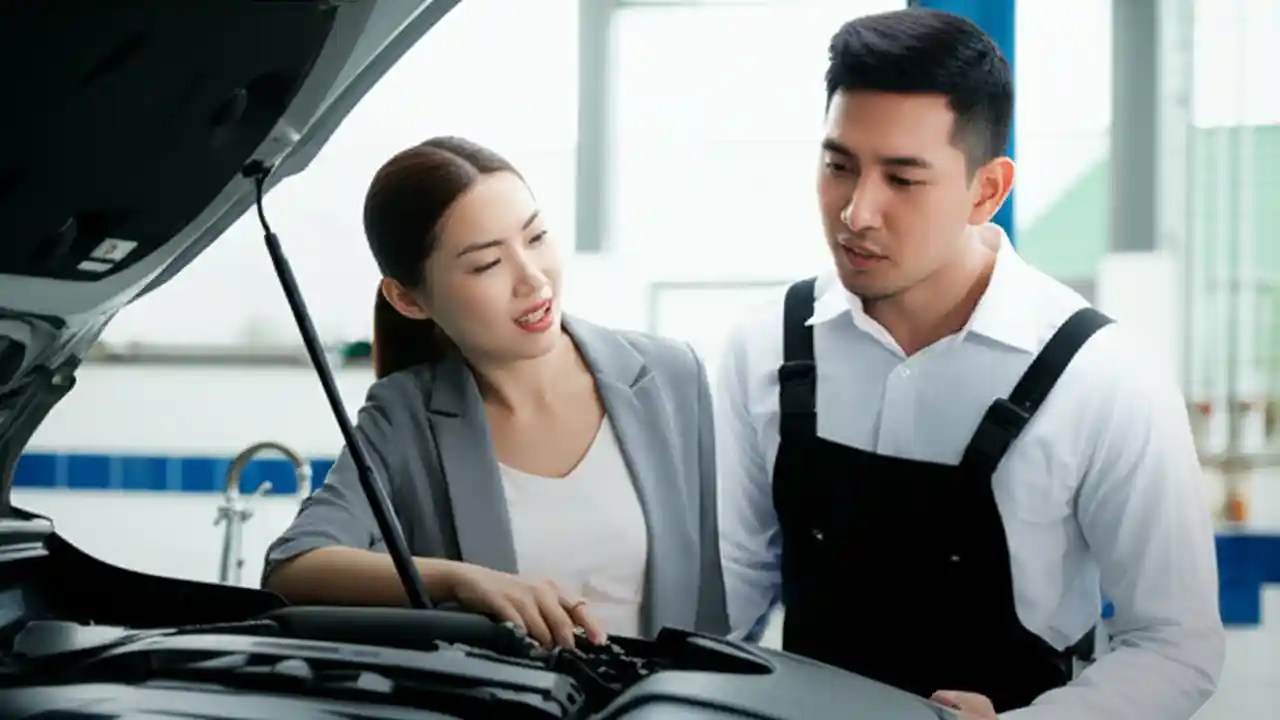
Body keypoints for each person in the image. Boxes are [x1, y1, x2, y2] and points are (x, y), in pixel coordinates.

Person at [713, 8, 1223, 720]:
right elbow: (726, 602)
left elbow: (1176, 644)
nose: (857, 212)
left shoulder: (1105, 377)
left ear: (987, 190)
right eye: (839, 166)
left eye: (903, 178)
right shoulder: (763, 344)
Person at [263, 136, 728, 649]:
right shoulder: (404, 416)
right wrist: (463, 579)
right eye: (487, 264)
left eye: (536, 237)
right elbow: (293, 567)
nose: (532, 280)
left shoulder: (670, 377)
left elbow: (706, 610)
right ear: (408, 298)